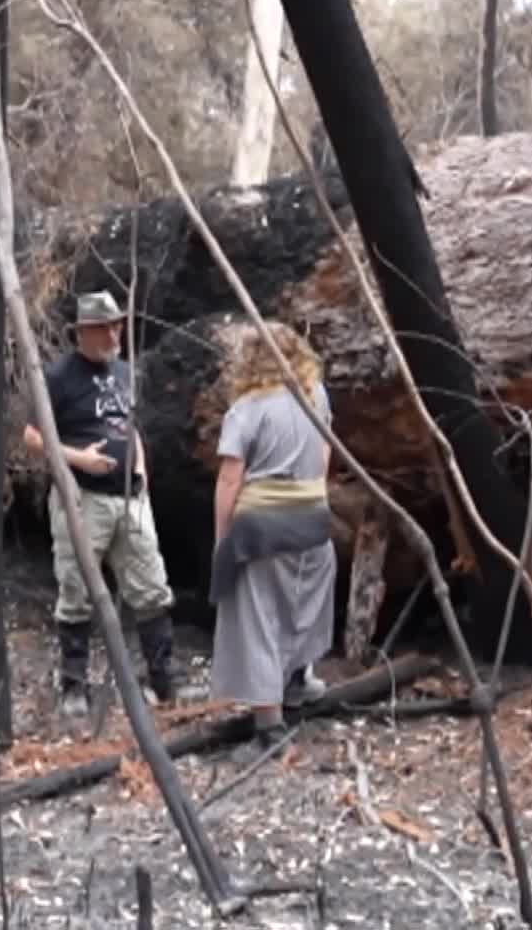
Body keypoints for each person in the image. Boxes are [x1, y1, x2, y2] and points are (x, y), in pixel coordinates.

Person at [23, 290, 181, 716]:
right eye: (106, 327)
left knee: (151, 588)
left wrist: (141, 470)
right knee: (76, 590)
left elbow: (130, 427)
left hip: (130, 497)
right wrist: (81, 460)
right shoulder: (59, 377)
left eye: (118, 325)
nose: (114, 334)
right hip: (83, 499)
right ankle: (74, 686)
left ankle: (163, 681)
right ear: (85, 332)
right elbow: (33, 437)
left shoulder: (126, 372)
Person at [209, 321, 336, 759]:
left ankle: (269, 727)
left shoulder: (246, 409)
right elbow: (324, 454)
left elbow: (229, 480)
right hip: (313, 519)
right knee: (304, 601)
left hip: (261, 526)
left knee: (259, 616)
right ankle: (299, 680)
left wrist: (223, 538)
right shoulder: (316, 395)